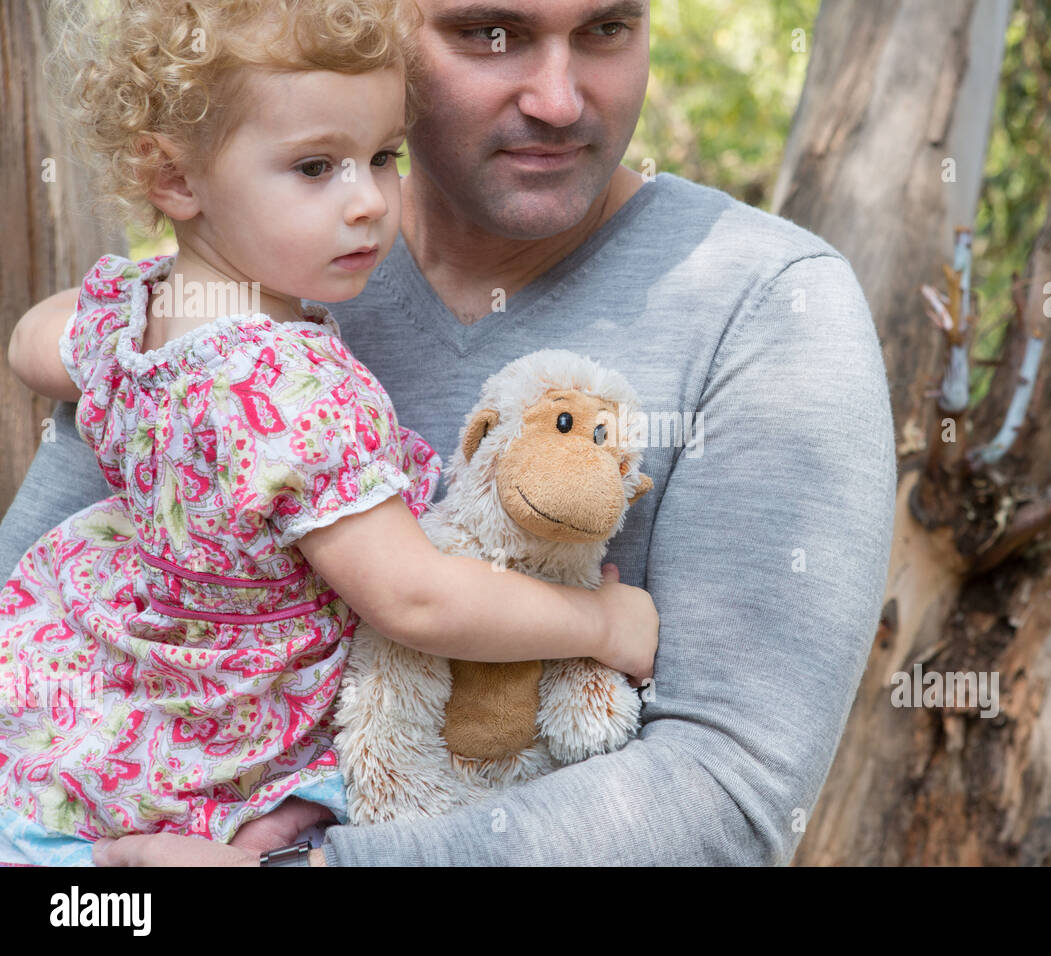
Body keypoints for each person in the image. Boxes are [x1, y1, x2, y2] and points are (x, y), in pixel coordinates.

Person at [4, 0, 896, 866]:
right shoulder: (263, 300)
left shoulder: (772, 306)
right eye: (489, 34)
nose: (557, 98)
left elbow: (730, 795)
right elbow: (412, 596)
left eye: (607, 29)